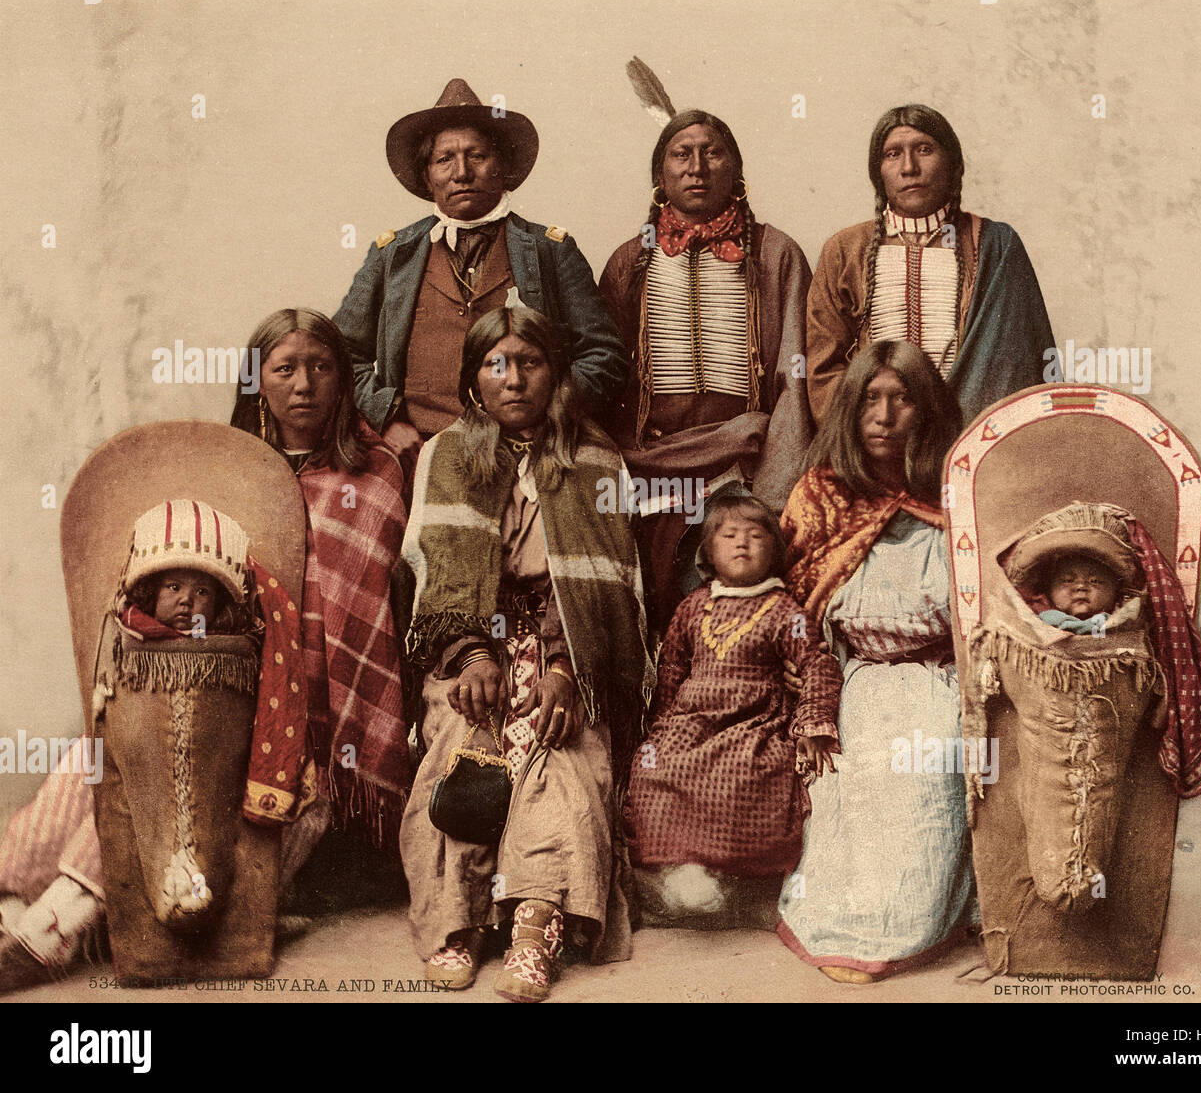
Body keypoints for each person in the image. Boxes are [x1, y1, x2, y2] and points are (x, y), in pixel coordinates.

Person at [398, 305, 654, 1003]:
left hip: (564, 647)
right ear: (473, 380)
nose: (514, 380)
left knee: (562, 747)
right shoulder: (445, 455)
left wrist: (567, 669)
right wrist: (469, 655)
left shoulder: (595, 458)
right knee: (458, 743)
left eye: (530, 363)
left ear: (556, 374)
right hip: (470, 644)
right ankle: (459, 921)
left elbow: (606, 582)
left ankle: (536, 924)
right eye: (496, 365)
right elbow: (434, 570)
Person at [0, 499, 309, 990]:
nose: (187, 602)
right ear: (148, 591)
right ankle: (13, 902)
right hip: (126, 749)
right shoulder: (127, 636)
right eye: (173, 587)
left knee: (133, 799)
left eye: (202, 591)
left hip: (199, 775)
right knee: (83, 767)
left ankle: (55, 925)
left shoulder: (234, 651)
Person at [777, 339, 976, 983]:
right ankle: (846, 924)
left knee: (924, 768)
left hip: (940, 676)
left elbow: (990, 599)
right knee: (850, 772)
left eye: (902, 399)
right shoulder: (821, 495)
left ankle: (911, 924)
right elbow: (792, 598)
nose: (884, 416)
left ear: (928, 410)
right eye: (870, 399)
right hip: (851, 674)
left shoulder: (960, 493)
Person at [334, 78, 627, 467]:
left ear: (501, 166)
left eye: (477, 155)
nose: (461, 173)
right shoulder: (393, 256)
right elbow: (338, 354)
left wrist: (551, 413)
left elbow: (605, 354)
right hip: (418, 456)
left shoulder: (549, 250)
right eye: (444, 159)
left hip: (534, 454)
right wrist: (387, 418)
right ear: (427, 177)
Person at [599, 109, 814, 635]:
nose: (697, 166)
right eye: (681, 154)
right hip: (648, 466)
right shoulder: (630, 262)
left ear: (736, 170)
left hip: (743, 465)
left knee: (734, 616)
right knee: (647, 614)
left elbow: (795, 383)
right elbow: (603, 380)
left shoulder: (776, 254)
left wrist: (772, 492)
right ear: (660, 175)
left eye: (712, 152)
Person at [230, 309, 412, 864]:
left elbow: (371, 595)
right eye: (285, 369)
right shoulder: (232, 470)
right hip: (248, 670)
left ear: (343, 379)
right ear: (257, 381)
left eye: (321, 367)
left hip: (339, 679)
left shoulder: (376, 471)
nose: (304, 385)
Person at [624, 493, 840, 927]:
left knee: (745, 772)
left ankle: (735, 878)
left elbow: (817, 663)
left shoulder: (785, 611)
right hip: (690, 720)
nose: (742, 543)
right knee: (654, 770)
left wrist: (813, 722)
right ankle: (678, 869)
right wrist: (661, 726)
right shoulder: (693, 606)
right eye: (729, 535)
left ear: (775, 550)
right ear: (708, 551)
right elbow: (672, 667)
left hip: (753, 720)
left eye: (756, 535)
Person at [804, 104, 1054, 427]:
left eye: (924, 150)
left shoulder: (996, 245)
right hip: (873, 440)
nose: (909, 167)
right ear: (877, 173)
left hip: (970, 438)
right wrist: (872, 431)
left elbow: (1020, 373)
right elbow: (823, 373)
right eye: (893, 154)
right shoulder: (844, 250)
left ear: (953, 163)